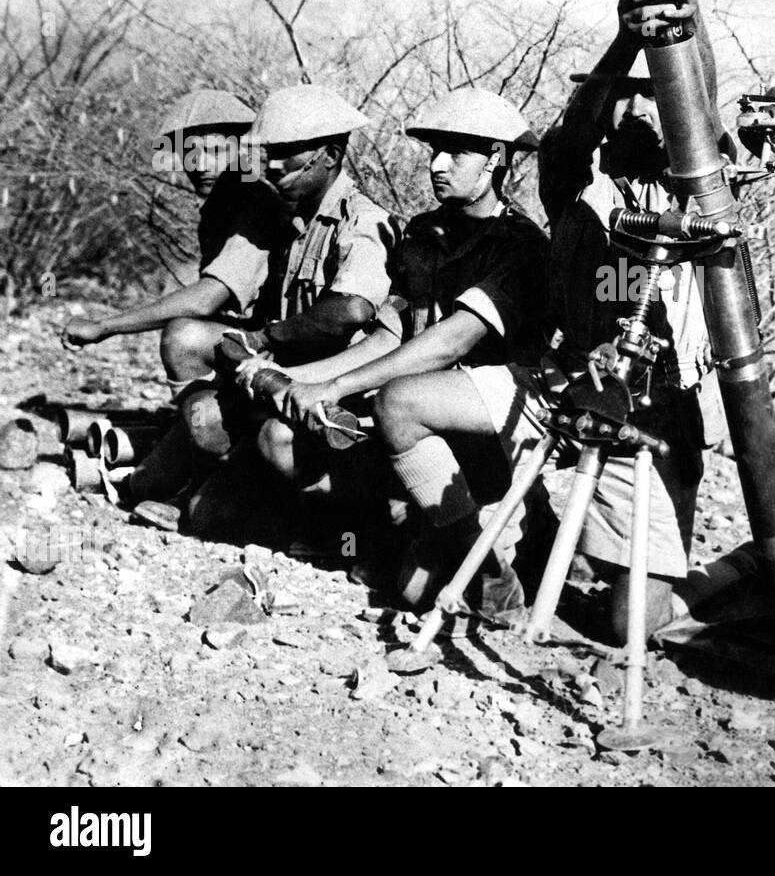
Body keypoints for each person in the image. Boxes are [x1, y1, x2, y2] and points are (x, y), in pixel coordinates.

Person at [375, 0, 724, 641]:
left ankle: (730, 574)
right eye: (622, 95)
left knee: (630, 625)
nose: (632, 110)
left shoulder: (700, 196)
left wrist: (689, 20)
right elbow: (575, 131)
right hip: (564, 387)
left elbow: (702, 112)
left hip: (653, 414)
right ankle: (485, 563)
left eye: (651, 95)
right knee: (402, 403)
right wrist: (627, 36)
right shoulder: (578, 188)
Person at [250, 89, 550, 605]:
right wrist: (312, 382)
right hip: (408, 425)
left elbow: (449, 342)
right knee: (281, 437)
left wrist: (339, 385)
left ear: (495, 159)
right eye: (433, 150)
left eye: (456, 152)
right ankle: (389, 528)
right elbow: (393, 331)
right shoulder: (425, 230)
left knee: (418, 591)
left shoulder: (520, 244)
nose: (437, 164)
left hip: (485, 441)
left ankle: (491, 558)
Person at [128, 83, 399, 507]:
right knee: (201, 438)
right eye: (267, 152)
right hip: (276, 378)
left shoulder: (362, 222)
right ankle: (227, 475)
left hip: (334, 390)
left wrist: (266, 339)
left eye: (285, 154)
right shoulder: (295, 216)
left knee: (244, 475)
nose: (271, 166)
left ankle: (337, 517)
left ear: (329, 156)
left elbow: (351, 309)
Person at [60, 89, 261, 350]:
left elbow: (206, 299)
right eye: (189, 152)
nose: (199, 164)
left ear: (243, 153)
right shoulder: (218, 211)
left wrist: (104, 326)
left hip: (284, 348)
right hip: (253, 337)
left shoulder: (257, 206)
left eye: (215, 151)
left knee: (183, 338)